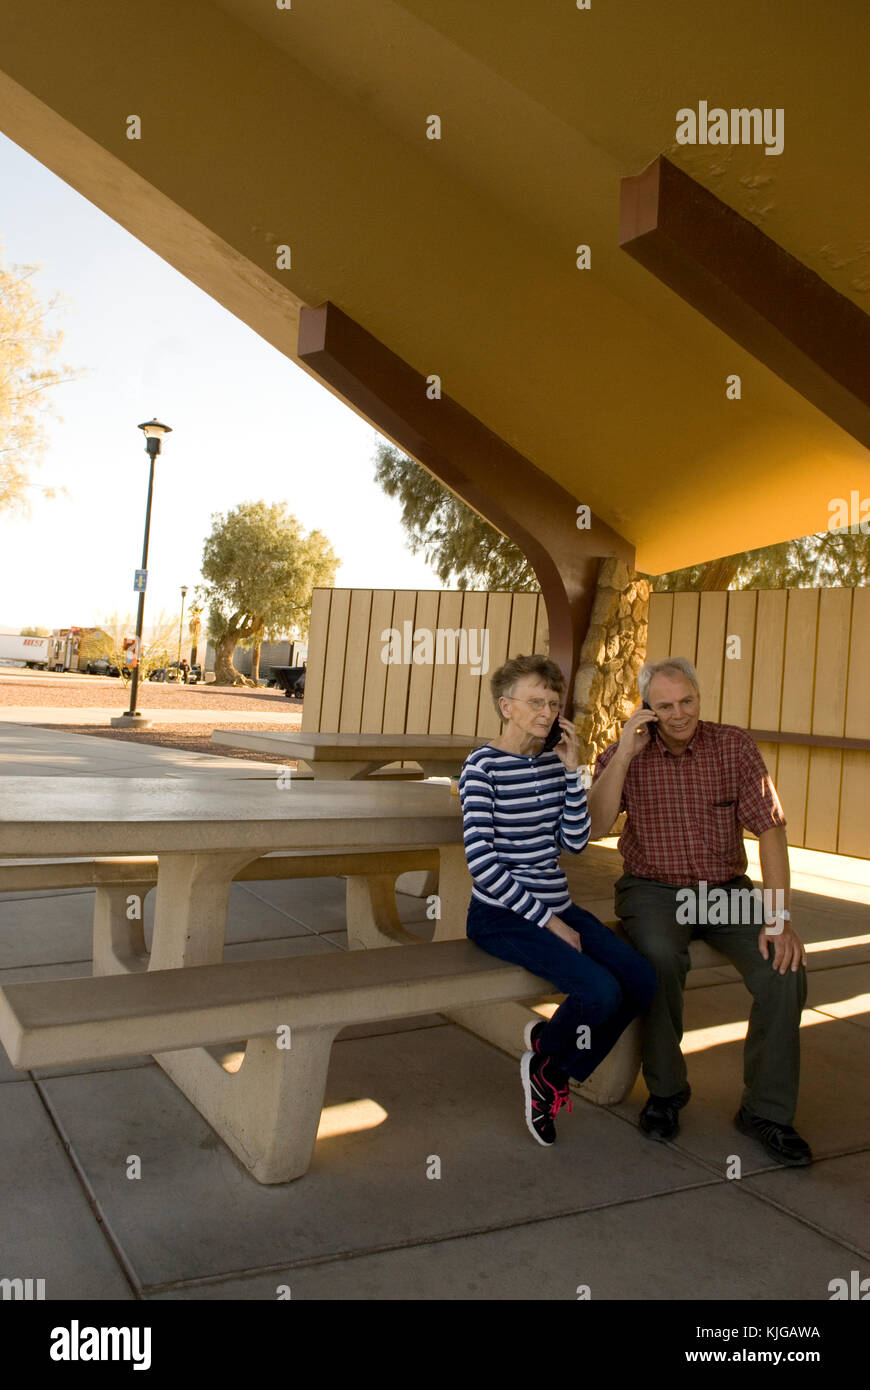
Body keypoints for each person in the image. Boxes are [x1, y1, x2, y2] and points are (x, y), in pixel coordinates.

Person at [587, 656, 812, 1166]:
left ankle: (766, 1111)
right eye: (665, 705)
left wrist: (778, 917)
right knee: (661, 957)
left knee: (784, 971)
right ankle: (666, 1093)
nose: (679, 713)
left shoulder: (733, 746)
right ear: (648, 708)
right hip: (652, 888)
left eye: (687, 701)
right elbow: (596, 826)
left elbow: (771, 829)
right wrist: (623, 752)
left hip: (725, 891)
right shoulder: (628, 752)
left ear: (699, 697)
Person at [459, 654, 657, 1147]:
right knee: (600, 991)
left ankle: (548, 1061)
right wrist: (549, 922)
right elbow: (483, 865)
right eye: (534, 702)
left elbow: (573, 842)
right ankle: (551, 1069)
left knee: (641, 978)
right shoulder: (480, 767)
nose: (546, 711)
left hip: (556, 906)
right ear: (506, 707)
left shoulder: (552, 765)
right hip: (502, 915)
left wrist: (573, 775)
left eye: (552, 702)